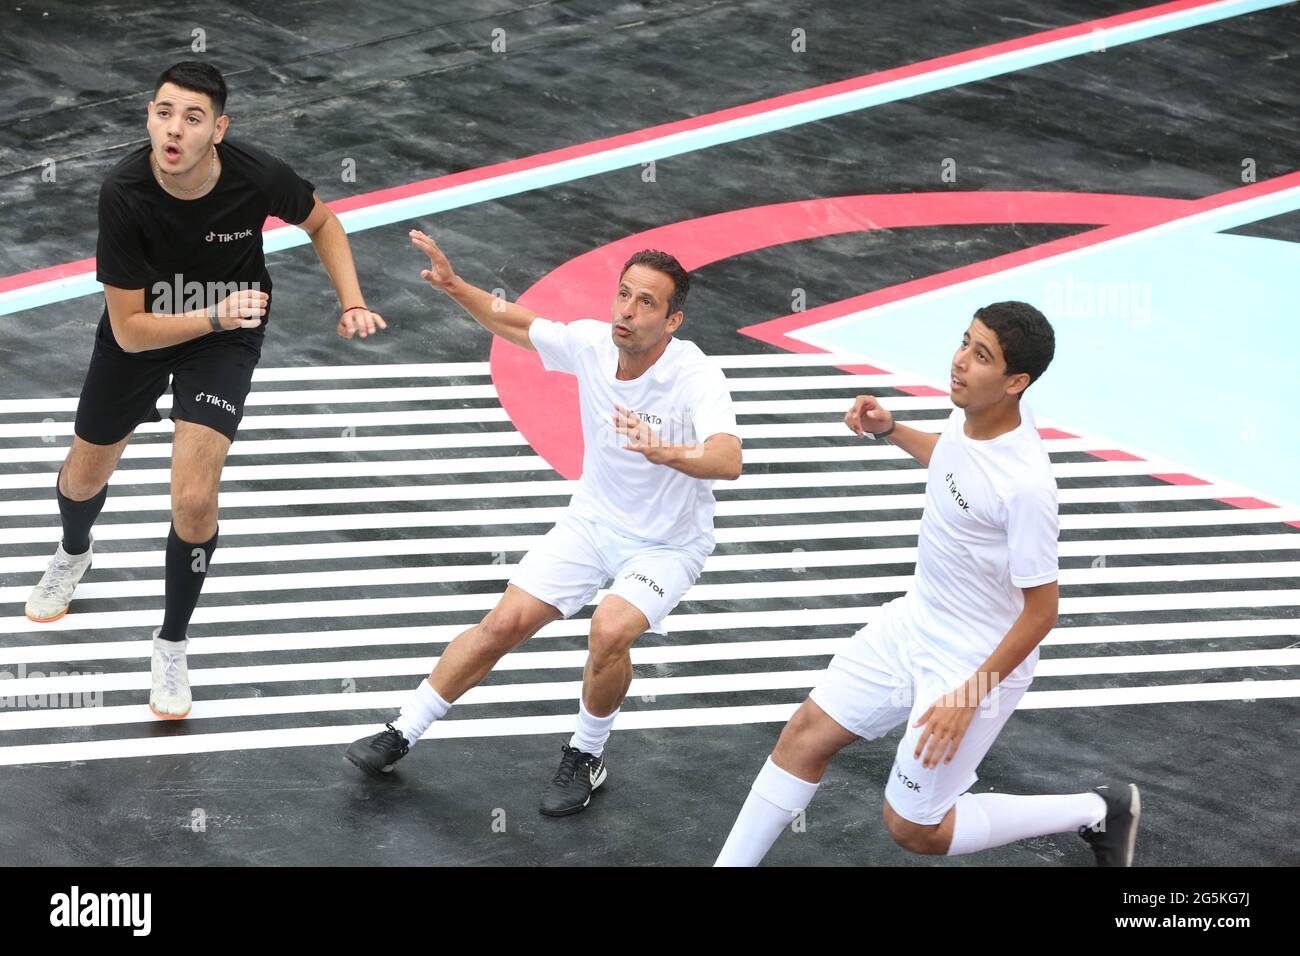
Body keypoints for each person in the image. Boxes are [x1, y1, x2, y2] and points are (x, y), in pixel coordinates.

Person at [714, 302, 1141, 866]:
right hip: (914, 622)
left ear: (1017, 382)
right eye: (965, 342)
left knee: (915, 829)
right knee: (804, 736)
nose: (960, 361)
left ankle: (1099, 809)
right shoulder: (979, 417)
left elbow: (1043, 612)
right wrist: (891, 430)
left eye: (981, 356)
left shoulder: (1027, 487)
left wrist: (968, 696)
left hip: (972, 662)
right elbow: (954, 463)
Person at [24, 61, 386, 720]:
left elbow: (324, 223)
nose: (174, 128)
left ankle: (171, 642)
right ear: (148, 118)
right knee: (82, 478)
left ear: (218, 130)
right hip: (150, 330)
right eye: (164, 112)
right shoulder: (124, 192)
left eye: (193, 118)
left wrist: (352, 300)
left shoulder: (256, 177)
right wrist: (214, 312)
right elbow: (131, 332)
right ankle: (74, 552)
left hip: (224, 341)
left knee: (194, 498)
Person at [345, 234, 742, 817]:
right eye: (624, 295)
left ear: (673, 319)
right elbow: (515, 323)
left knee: (610, 630)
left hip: (666, 544)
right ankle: (402, 730)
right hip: (592, 521)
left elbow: (728, 460)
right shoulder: (591, 345)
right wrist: (455, 285)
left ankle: (587, 753)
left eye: (647, 303)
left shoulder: (696, 376)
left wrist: (666, 452)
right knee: (503, 623)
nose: (627, 311)